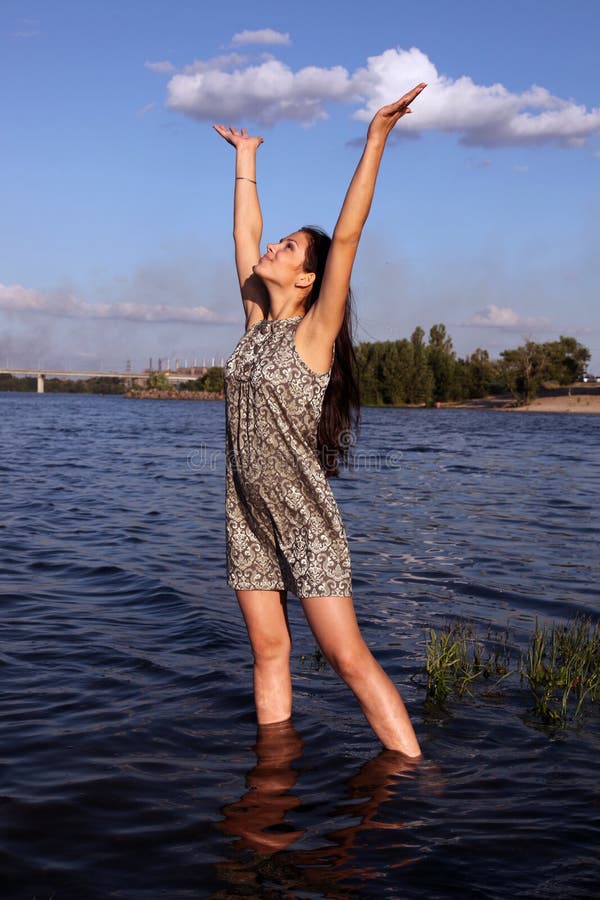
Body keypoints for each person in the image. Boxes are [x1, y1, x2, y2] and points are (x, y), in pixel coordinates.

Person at [213, 82, 426, 758]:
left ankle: (414, 772)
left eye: (288, 247)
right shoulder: (255, 321)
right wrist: (246, 158)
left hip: (305, 517)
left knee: (346, 656)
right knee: (268, 651)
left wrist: (376, 139)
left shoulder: (315, 333)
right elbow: (244, 232)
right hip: (247, 511)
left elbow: (350, 235)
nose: (273, 247)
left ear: (309, 278)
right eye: (278, 242)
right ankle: (273, 774)